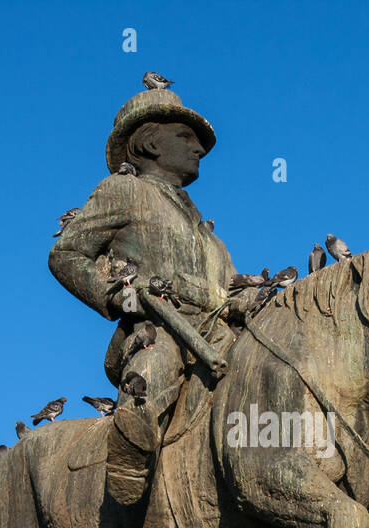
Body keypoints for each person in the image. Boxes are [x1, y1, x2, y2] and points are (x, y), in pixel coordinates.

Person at [49, 88, 239, 505]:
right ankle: (129, 461)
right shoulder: (124, 191)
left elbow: (231, 290)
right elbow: (67, 254)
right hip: (161, 329)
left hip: (219, 338)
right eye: (187, 138)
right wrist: (116, 297)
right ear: (151, 142)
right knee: (152, 375)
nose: (199, 150)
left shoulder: (213, 240)